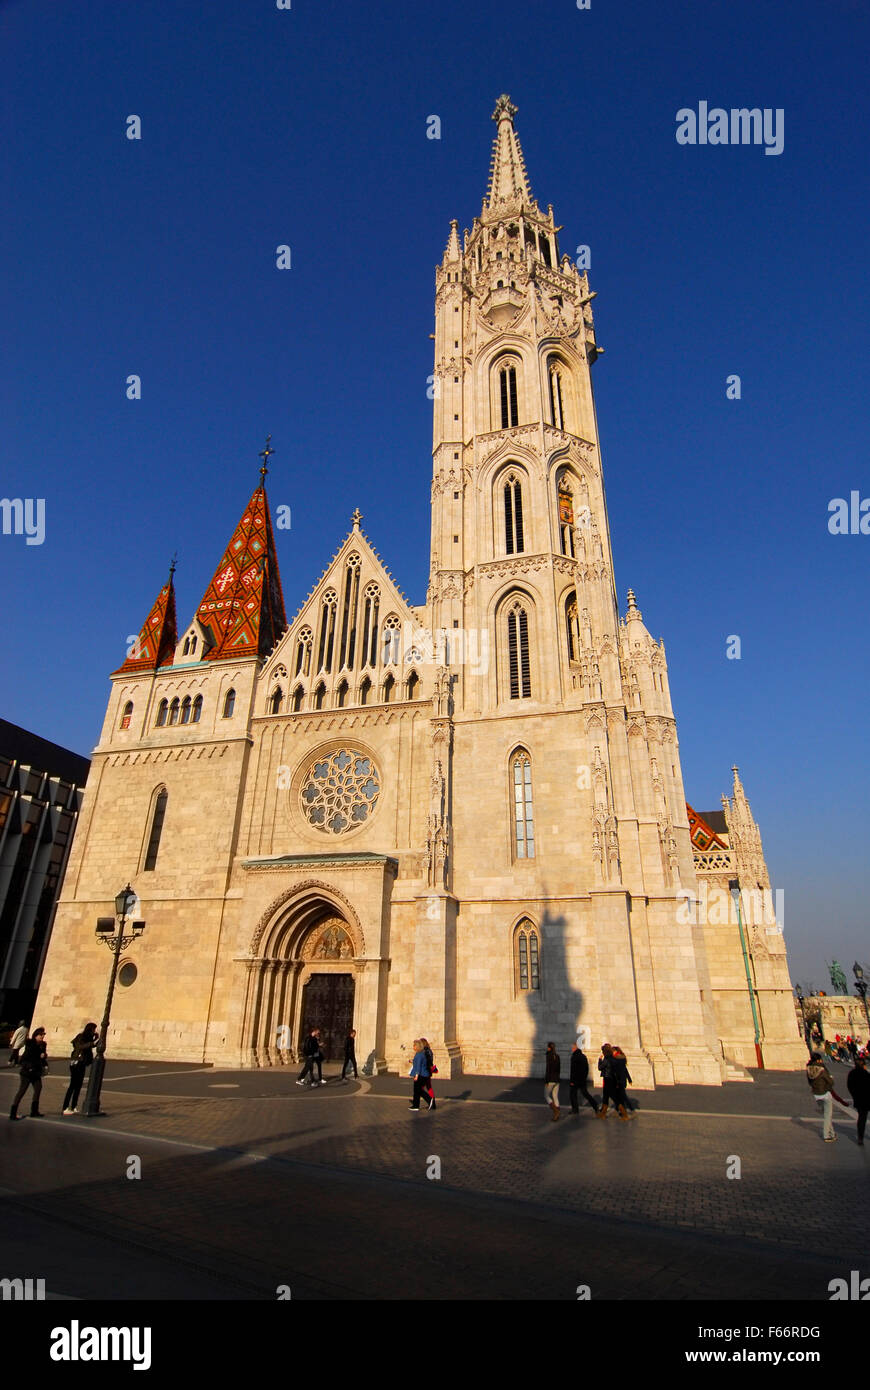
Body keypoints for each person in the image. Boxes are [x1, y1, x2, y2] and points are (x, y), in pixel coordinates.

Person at [806, 1052, 848, 1142]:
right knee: (828, 1116)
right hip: (825, 1093)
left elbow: (810, 1082)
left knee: (826, 1115)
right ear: (818, 1060)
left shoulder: (809, 1069)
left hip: (816, 1094)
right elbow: (830, 1082)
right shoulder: (822, 1069)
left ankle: (832, 1134)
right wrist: (831, 1079)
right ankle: (826, 1135)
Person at [9, 1027, 48, 1120]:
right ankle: (13, 1113)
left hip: (36, 1072)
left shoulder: (42, 1045)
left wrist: (44, 1056)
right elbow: (22, 1060)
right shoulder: (30, 1045)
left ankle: (34, 1111)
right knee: (22, 1091)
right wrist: (29, 1067)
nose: (42, 1036)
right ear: (35, 1035)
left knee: (38, 1088)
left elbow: (42, 1056)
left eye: (43, 1034)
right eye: (41, 1035)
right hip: (27, 1072)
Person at [62, 1022, 98, 1115]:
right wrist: (92, 1042)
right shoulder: (80, 1036)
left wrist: (96, 1039)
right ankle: (65, 1107)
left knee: (78, 1086)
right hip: (76, 1063)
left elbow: (91, 1045)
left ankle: (74, 1106)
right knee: (72, 1085)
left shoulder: (88, 1038)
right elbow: (81, 1046)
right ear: (90, 1029)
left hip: (82, 1063)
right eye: (94, 1029)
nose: (94, 1031)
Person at [846, 1054, 870, 1146]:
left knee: (861, 1119)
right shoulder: (865, 1074)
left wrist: (854, 1095)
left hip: (858, 1099)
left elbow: (849, 1086)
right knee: (863, 1118)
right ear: (863, 1065)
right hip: (867, 1098)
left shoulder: (851, 1074)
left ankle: (860, 1138)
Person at [569, 1042, 598, 1114]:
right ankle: (595, 1105)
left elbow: (573, 1070)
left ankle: (575, 1109)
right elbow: (586, 1068)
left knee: (573, 1094)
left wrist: (572, 1081)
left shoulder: (574, 1057)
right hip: (582, 1080)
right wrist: (584, 1077)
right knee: (585, 1094)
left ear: (575, 1048)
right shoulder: (583, 1056)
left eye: (572, 1048)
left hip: (575, 1080)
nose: (572, 1049)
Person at [610, 1046, 633, 1121]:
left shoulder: (617, 1059)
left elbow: (618, 1071)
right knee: (619, 1096)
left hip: (619, 1081)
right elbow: (625, 1070)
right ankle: (618, 1110)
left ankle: (629, 1111)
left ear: (614, 1051)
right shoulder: (621, 1058)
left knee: (622, 1097)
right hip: (622, 1080)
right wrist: (629, 1079)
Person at [409, 1039, 431, 1111]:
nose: (413, 1047)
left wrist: (416, 1075)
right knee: (418, 1090)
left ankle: (416, 1105)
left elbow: (418, 1066)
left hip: (420, 1074)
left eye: (414, 1045)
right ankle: (427, 1101)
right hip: (423, 1074)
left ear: (417, 1046)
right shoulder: (421, 1053)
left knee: (417, 1091)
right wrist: (413, 1061)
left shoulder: (418, 1055)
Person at [596, 1043, 615, 1118]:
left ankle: (622, 1110)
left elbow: (600, 1068)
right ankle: (603, 1112)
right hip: (611, 1078)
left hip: (607, 1078)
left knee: (610, 1095)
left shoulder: (606, 1059)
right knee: (606, 1096)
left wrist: (600, 1060)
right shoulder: (612, 1058)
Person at [544, 1041, 561, 1120]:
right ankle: (557, 1112)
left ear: (549, 1048)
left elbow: (548, 1069)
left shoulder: (549, 1056)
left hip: (550, 1079)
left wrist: (546, 1081)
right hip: (557, 1079)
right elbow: (559, 1069)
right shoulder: (557, 1056)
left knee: (547, 1096)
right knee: (555, 1096)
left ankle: (556, 1111)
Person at [420, 1037, 437, 1110]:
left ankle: (430, 1101)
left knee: (419, 1089)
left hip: (424, 1072)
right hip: (428, 1071)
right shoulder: (429, 1051)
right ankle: (433, 1103)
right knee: (429, 1087)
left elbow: (425, 1062)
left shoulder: (424, 1052)